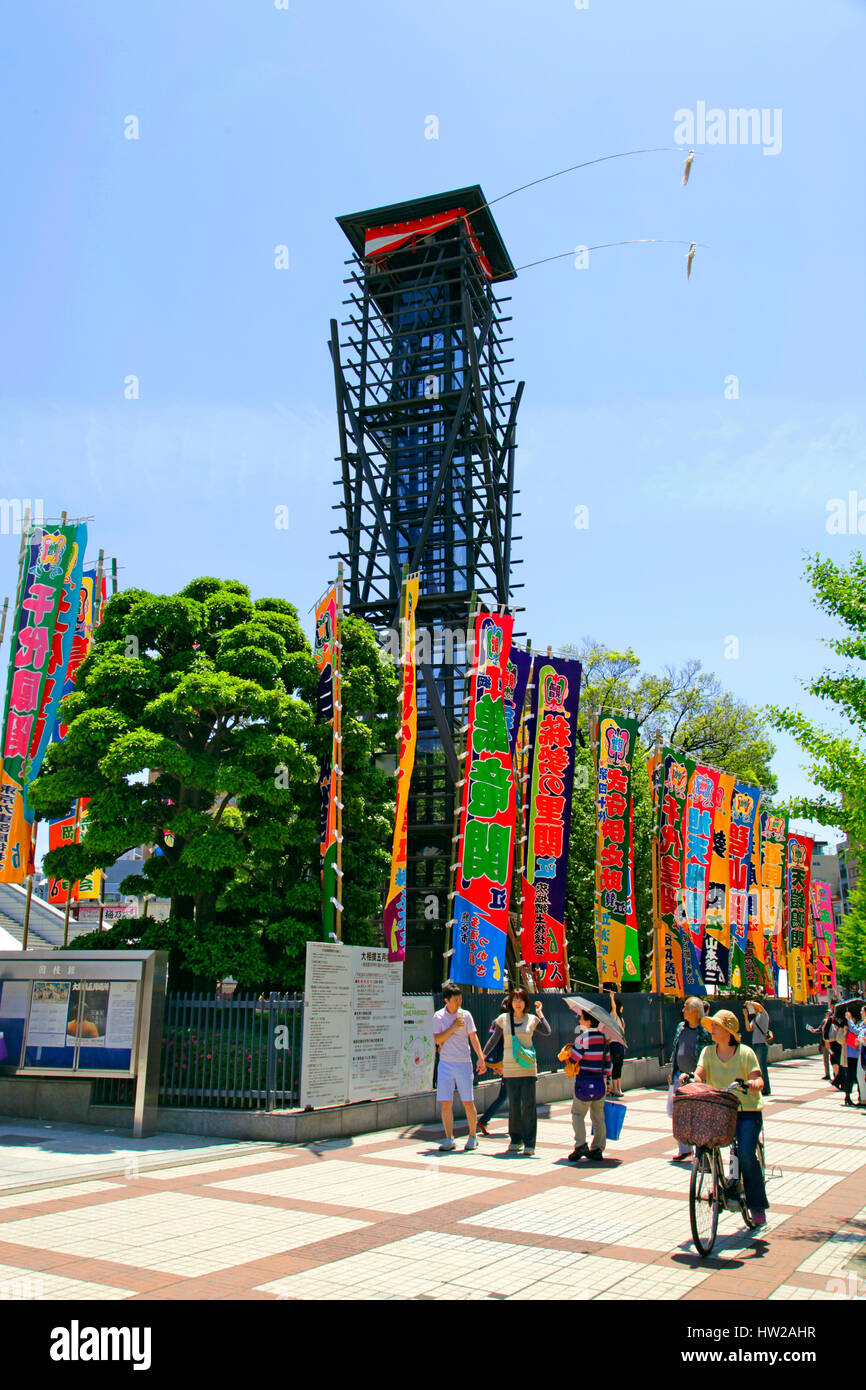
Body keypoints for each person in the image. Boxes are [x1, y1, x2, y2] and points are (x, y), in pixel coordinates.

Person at [694, 1008, 769, 1229]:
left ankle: (757, 1206)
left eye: (716, 1026)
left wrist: (754, 1084)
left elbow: (757, 1078)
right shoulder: (708, 1052)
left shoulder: (745, 1053)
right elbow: (699, 1073)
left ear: (729, 1031)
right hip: (720, 1110)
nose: (712, 1029)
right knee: (704, 1145)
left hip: (747, 1111)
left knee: (746, 1155)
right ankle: (719, 1187)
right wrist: (691, 1077)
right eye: (712, 1026)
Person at [481, 989, 550, 1156]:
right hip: (510, 1069)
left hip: (527, 1068)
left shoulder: (532, 1019)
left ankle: (529, 1142)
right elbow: (493, 1039)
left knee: (528, 1105)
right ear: (510, 1003)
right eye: (515, 1000)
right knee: (514, 1106)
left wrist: (540, 1013)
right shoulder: (503, 1019)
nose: (517, 1003)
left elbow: (547, 1031)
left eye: (521, 1000)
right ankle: (515, 1139)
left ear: (526, 1003)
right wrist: (482, 1056)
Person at [433, 981, 487, 1152]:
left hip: (464, 1063)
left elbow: (473, 1037)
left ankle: (473, 1137)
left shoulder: (466, 1015)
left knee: (468, 1102)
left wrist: (480, 1057)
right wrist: (453, 1027)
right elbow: (438, 1039)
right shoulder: (439, 1017)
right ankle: (449, 1138)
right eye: (455, 1000)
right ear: (446, 1001)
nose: (458, 1003)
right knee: (446, 1103)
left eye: (460, 999)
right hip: (446, 1064)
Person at [567, 1005, 612, 1162]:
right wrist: (607, 1082)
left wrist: (569, 1054)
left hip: (583, 1082)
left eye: (581, 1018)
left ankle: (580, 1145)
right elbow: (608, 1064)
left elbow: (574, 1059)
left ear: (587, 1021)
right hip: (599, 1082)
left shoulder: (582, 1038)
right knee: (598, 1116)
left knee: (577, 1114)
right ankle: (598, 1148)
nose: (580, 1020)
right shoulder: (603, 1039)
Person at [667, 996, 706, 1160]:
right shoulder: (681, 1027)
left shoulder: (704, 1032)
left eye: (685, 1007)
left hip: (695, 1079)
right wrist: (672, 1069)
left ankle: (701, 1150)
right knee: (676, 1113)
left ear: (695, 1011)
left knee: (697, 1115)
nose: (682, 1010)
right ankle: (684, 1148)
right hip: (678, 1076)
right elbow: (676, 1049)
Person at [477, 1003, 509, 1136]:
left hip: (501, 1061)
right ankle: (484, 1120)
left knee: (506, 1095)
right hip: (506, 1061)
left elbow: (493, 1044)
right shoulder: (505, 1024)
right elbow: (499, 1043)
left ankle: (484, 1120)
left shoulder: (495, 1022)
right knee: (506, 1096)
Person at [744, 999, 772, 1097]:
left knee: (762, 1067)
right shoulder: (755, 1018)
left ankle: (766, 1088)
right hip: (756, 1043)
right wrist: (746, 1017)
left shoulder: (763, 1015)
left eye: (754, 1006)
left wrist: (750, 1003)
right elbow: (748, 1028)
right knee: (758, 1067)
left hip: (761, 1044)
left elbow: (760, 1007)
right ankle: (762, 1087)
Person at [842, 1003, 862, 1108]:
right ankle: (847, 1096)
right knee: (850, 1076)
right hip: (851, 1056)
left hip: (858, 1055)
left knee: (859, 1077)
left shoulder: (859, 1027)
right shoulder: (848, 1029)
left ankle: (860, 1096)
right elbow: (843, 1041)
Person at [607, 993, 626, 1098]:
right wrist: (612, 998)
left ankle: (619, 1087)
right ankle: (615, 1088)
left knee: (619, 1066)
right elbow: (614, 1008)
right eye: (621, 1006)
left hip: (621, 1044)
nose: (622, 1008)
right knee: (616, 1066)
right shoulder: (614, 1016)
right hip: (615, 1043)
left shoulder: (621, 1019)